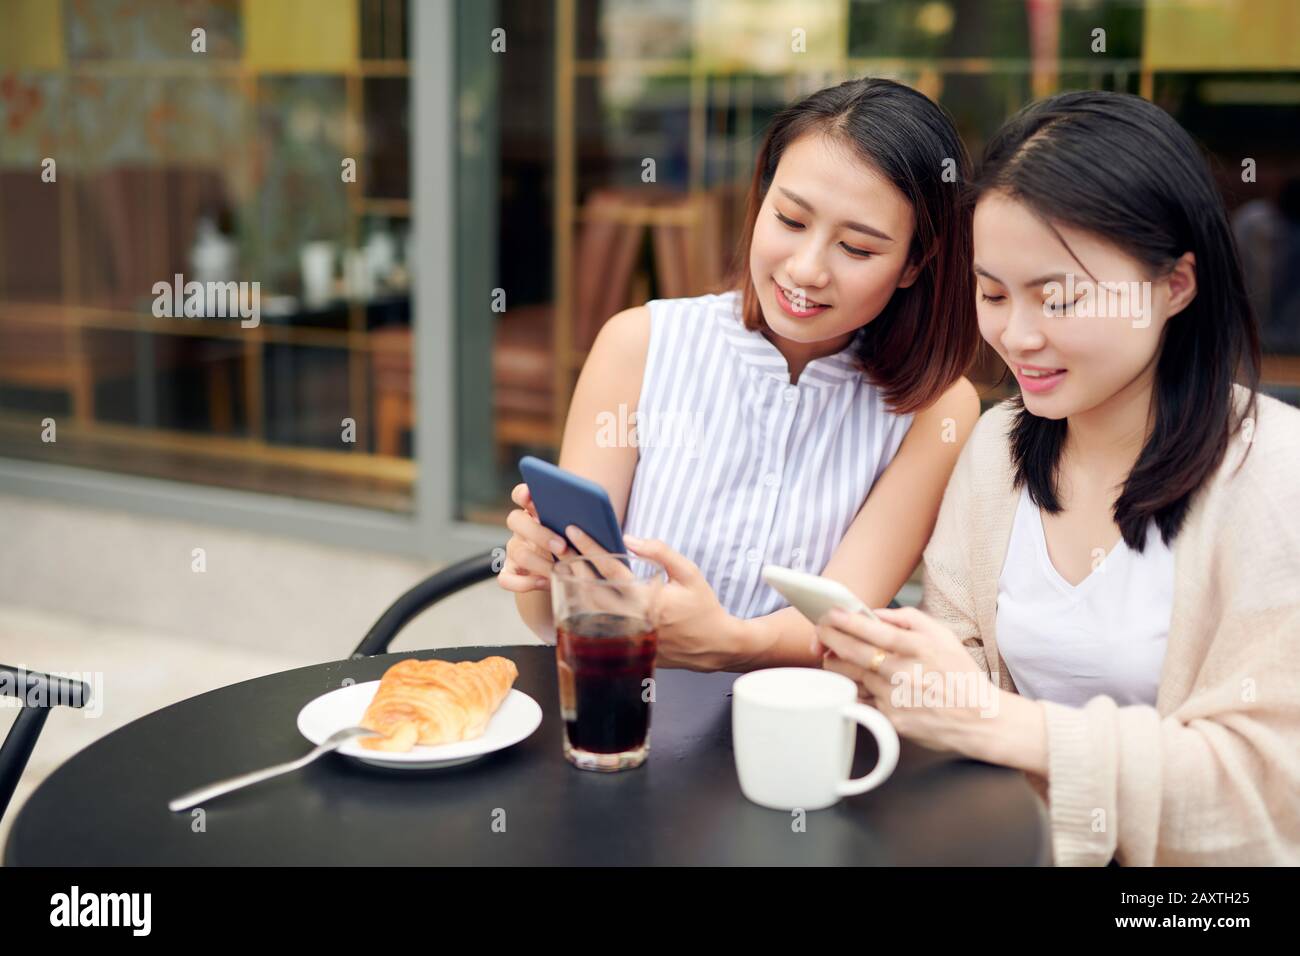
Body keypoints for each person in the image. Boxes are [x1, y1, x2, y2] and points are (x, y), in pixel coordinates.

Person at [818, 90, 1300, 865]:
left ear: (1174, 285)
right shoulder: (996, 448)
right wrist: (907, 670)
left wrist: (988, 720)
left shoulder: (1275, 476)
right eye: (993, 292)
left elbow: (1265, 794)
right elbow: (960, 661)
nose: (1018, 335)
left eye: (1060, 296)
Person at [499, 77, 980, 671]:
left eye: (856, 248)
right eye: (790, 220)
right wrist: (543, 573)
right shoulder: (639, 345)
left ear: (914, 264)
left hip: (795, 730)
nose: (806, 270)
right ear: (760, 200)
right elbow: (556, 618)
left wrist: (728, 640)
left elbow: (841, 619)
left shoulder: (937, 408)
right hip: (623, 709)